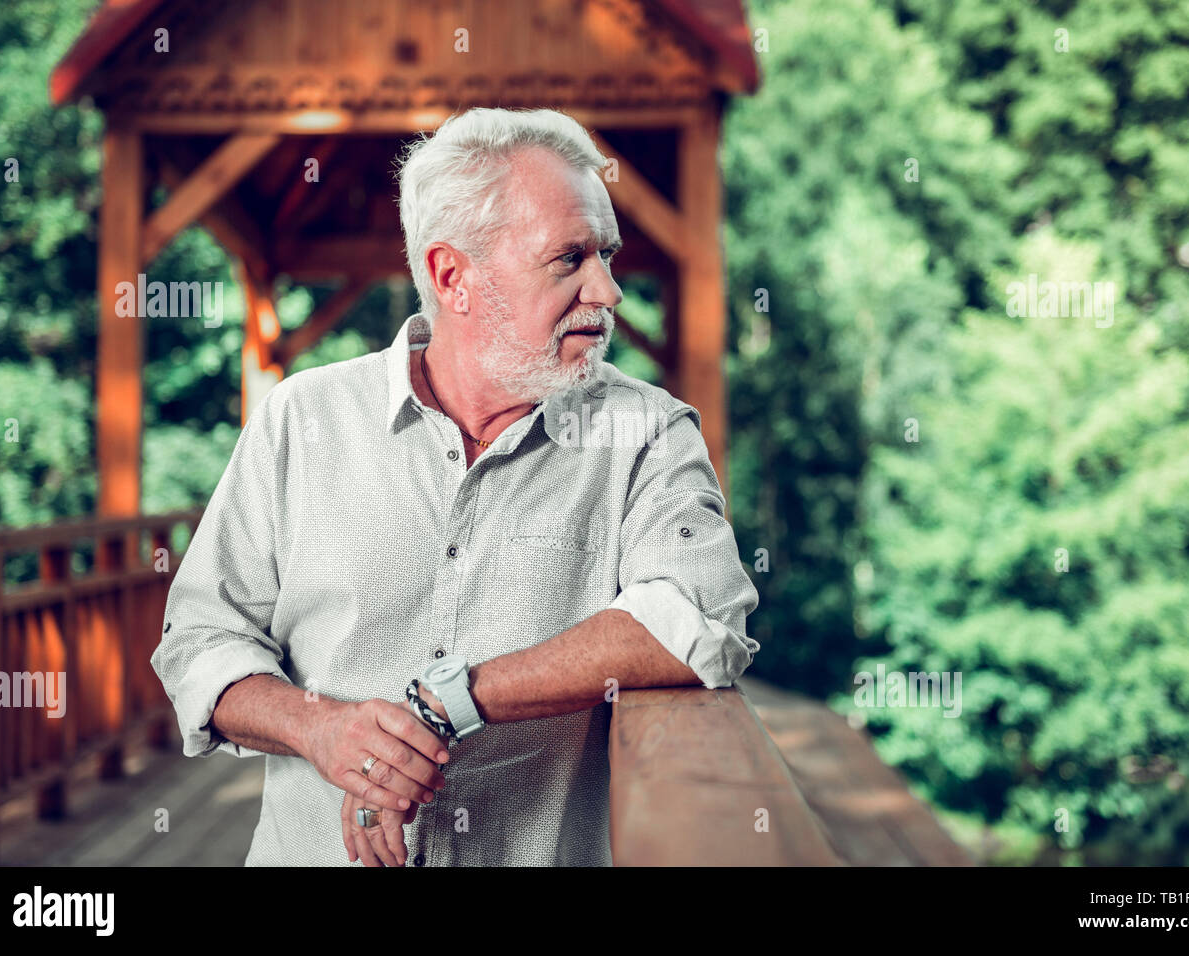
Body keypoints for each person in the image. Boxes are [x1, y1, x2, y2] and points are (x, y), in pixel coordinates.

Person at [150, 106, 760, 866]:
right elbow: (202, 641)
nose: (608, 291)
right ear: (453, 276)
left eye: (607, 254)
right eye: (570, 259)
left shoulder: (648, 432)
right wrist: (322, 729)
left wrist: (450, 702)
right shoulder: (301, 419)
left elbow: (698, 610)